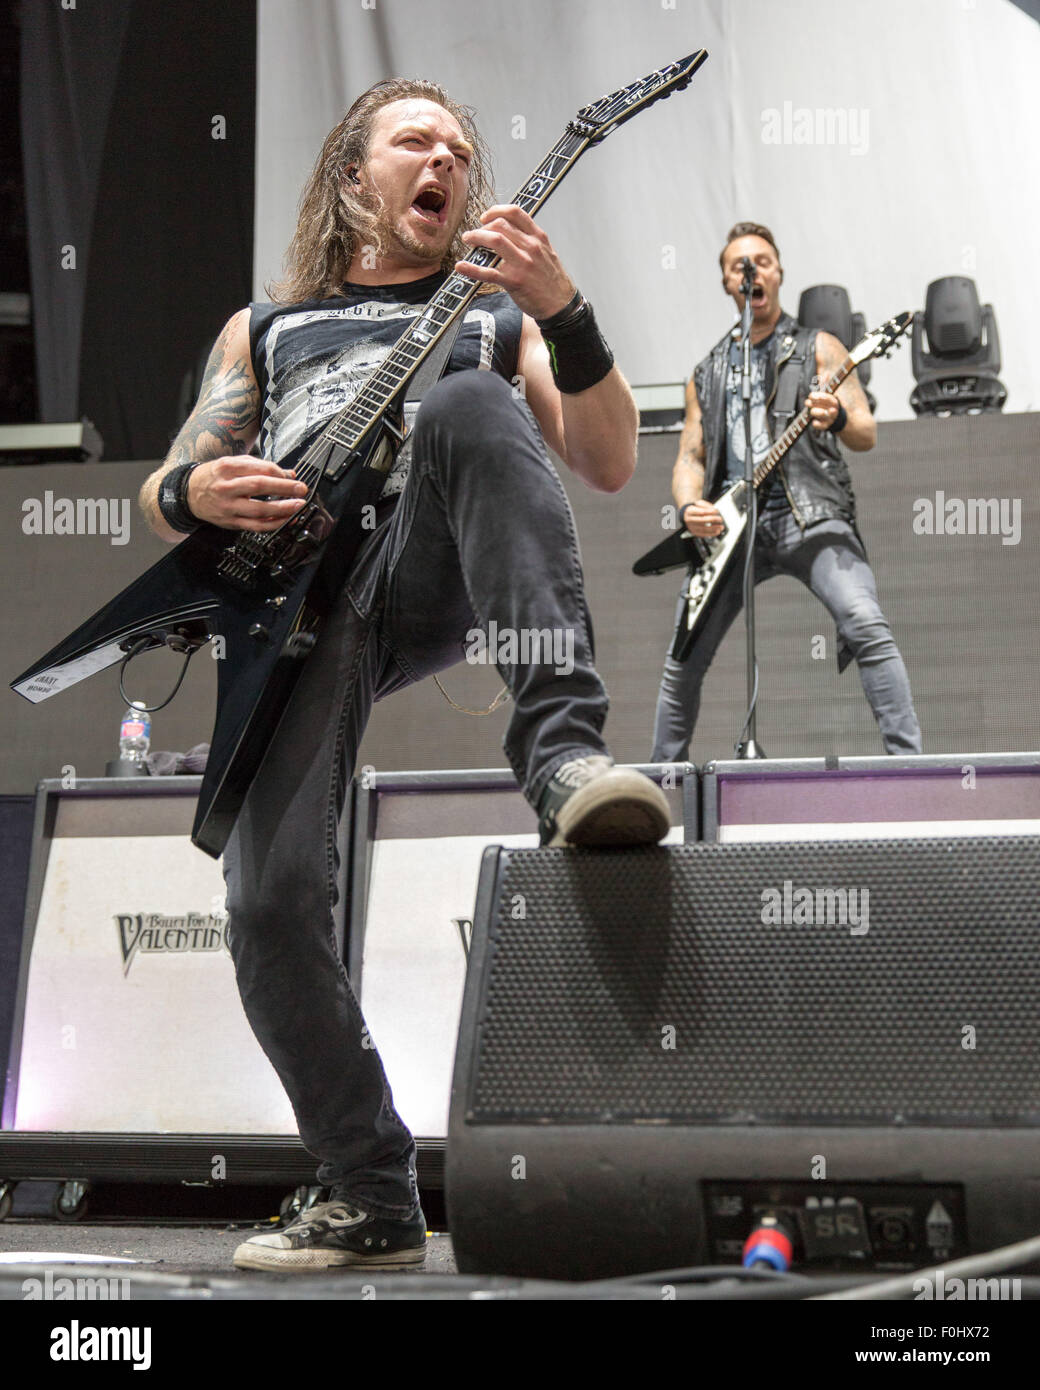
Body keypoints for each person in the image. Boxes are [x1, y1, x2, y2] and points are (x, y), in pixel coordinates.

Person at [139, 77, 669, 1273]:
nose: (443, 158)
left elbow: (607, 459)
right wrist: (193, 491)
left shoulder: (497, 316)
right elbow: (167, 482)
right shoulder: (263, 330)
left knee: (474, 404)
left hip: (417, 564)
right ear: (351, 178)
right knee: (268, 909)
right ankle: (369, 1189)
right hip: (288, 610)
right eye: (413, 140)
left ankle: (561, 753)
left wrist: (561, 305)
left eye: (459, 150)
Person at [651, 221, 921, 762]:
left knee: (865, 622)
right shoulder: (706, 371)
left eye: (763, 261)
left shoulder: (820, 347)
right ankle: (662, 784)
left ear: (778, 274)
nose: (752, 271)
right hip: (732, 528)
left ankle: (910, 768)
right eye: (739, 265)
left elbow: (864, 433)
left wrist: (837, 413)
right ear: (728, 282)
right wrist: (689, 506)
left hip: (810, 514)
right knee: (682, 659)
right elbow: (690, 457)